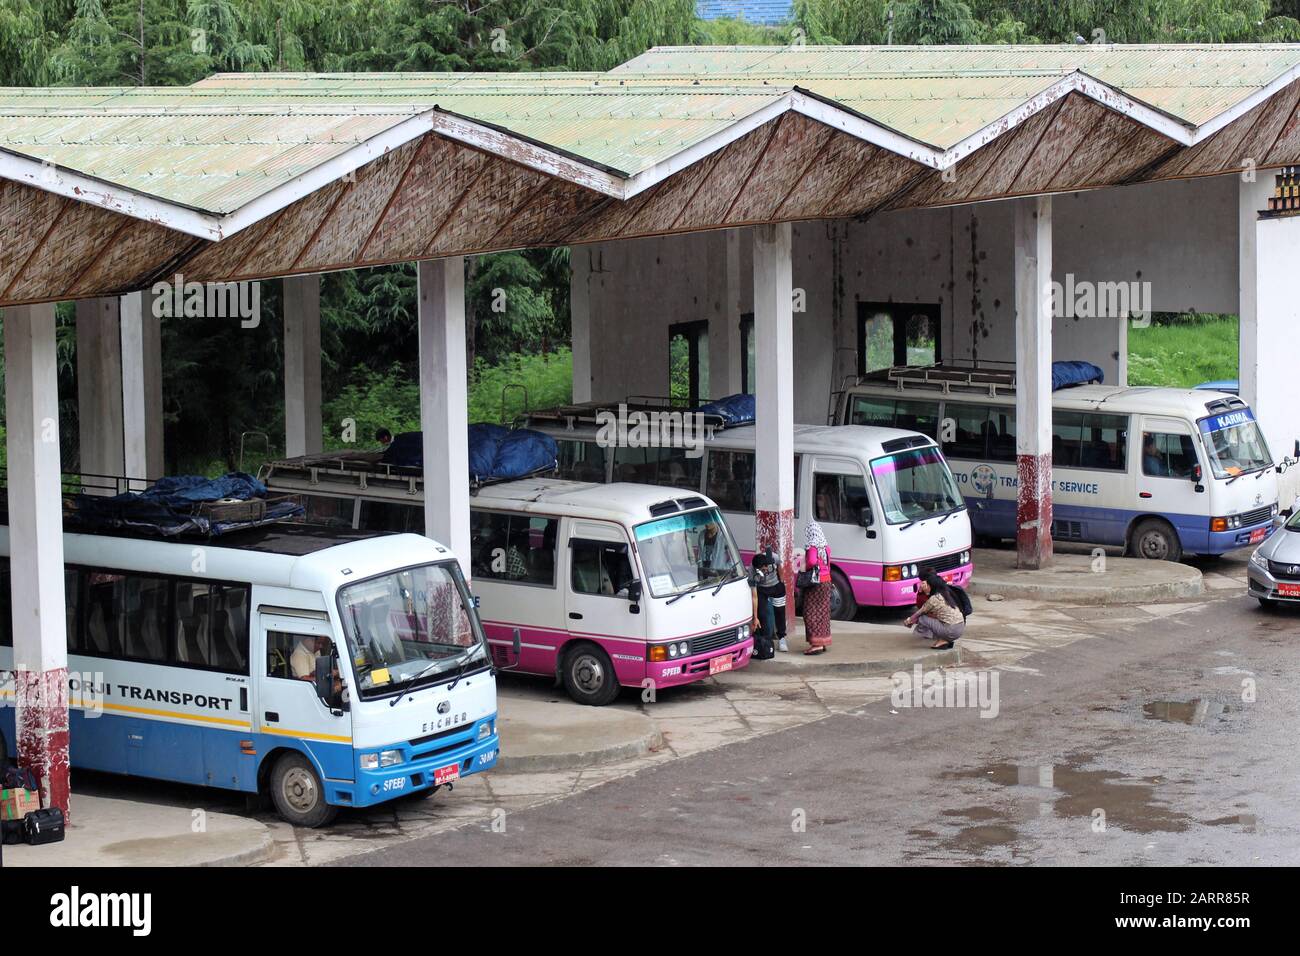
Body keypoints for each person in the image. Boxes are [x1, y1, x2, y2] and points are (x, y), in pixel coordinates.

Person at [904, 570, 966, 649]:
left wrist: (908, 621)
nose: (923, 585)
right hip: (960, 626)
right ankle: (944, 640)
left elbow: (919, 612)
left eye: (927, 584)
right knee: (934, 616)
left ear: (932, 585)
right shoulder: (945, 593)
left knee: (923, 618)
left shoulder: (934, 599)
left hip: (951, 630)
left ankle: (945, 638)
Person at [799, 521, 833, 655]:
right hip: (827, 581)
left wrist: (804, 566)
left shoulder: (812, 546)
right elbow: (828, 564)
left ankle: (816, 645)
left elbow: (812, 562)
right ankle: (823, 641)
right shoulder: (826, 547)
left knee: (810, 612)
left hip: (815, 583)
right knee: (823, 613)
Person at [754, 550, 788, 652]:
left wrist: (781, 582)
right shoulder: (753, 568)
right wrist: (755, 617)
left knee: (780, 612)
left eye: (764, 569)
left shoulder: (774, 557)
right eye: (760, 570)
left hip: (776, 586)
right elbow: (754, 594)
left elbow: (780, 570)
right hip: (762, 589)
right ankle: (766, 640)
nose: (764, 571)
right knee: (762, 613)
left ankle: (782, 638)